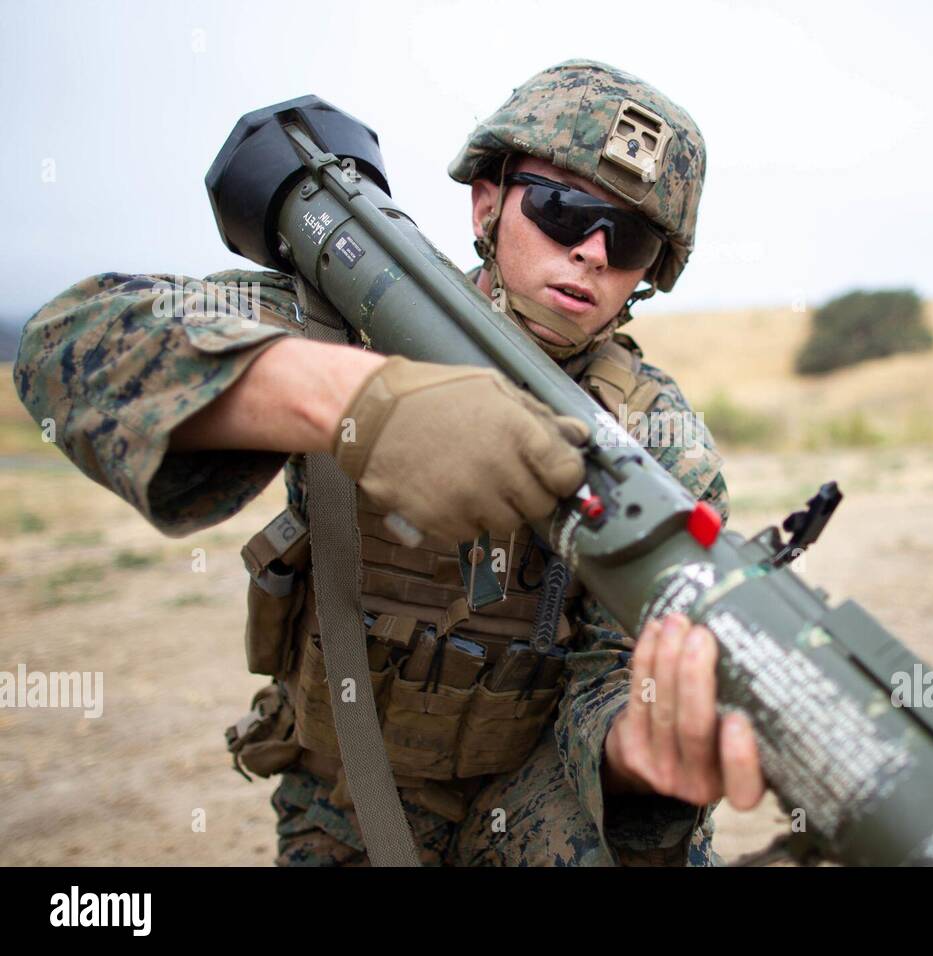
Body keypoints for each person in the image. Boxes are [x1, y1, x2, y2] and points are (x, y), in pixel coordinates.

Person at [14, 59, 766, 866]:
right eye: (561, 209)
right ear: (488, 202)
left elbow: (616, 670)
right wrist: (353, 401)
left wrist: (632, 753)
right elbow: (69, 342)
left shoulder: (656, 436)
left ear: (650, 271)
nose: (589, 251)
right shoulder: (350, 318)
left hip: (542, 793)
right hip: (351, 792)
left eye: (629, 237)